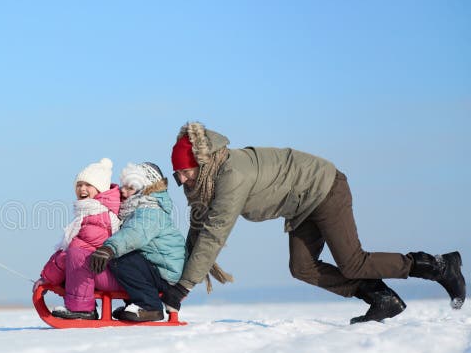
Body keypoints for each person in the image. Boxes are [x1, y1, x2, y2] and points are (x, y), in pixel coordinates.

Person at [162, 121, 465, 324]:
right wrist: (179, 272)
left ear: (201, 163)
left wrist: (183, 287)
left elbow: (214, 234)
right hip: (302, 204)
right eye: (179, 175)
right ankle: (381, 297)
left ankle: (438, 266)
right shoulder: (212, 178)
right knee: (302, 267)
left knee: (353, 262)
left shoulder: (232, 176)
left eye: (185, 172)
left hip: (325, 189)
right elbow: (201, 227)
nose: (183, 180)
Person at [88, 162, 186, 322]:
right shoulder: (137, 209)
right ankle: (135, 304)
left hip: (165, 274)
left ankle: (149, 306)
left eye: (130, 188)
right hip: (156, 268)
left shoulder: (150, 211)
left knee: (120, 260)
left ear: (145, 189)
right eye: (123, 187)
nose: (123, 191)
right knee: (127, 259)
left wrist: (109, 249)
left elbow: (133, 234)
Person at [33, 158, 122, 320]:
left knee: (76, 255)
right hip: (103, 271)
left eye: (88, 185)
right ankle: (83, 305)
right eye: (79, 185)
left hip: (111, 274)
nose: (82, 189)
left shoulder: (101, 217)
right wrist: (48, 276)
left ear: (100, 188)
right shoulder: (89, 214)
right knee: (75, 256)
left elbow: (75, 251)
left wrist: (47, 277)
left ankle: (82, 308)